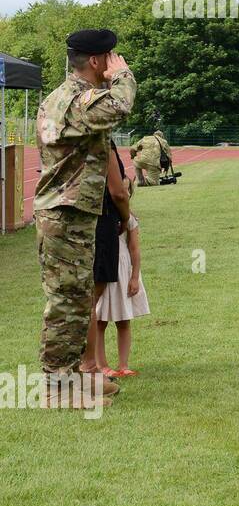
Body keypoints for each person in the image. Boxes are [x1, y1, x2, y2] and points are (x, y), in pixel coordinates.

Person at [34, 29, 137, 409]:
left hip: (69, 214)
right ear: (96, 61)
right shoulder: (78, 100)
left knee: (77, 299)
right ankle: (55, 389)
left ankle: (74, 377)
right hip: (65, 215)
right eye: (110, 56)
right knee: (66, 302)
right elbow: (121, 106)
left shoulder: (63, 98)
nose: (115, 62)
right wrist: (123, 75)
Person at [82, 140, 132, 378]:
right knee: (91, 300)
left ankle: (77, 364)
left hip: (69, 225)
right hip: (101, 222)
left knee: (74, 298)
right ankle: (90, 367)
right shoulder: (101, 140)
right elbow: (118, 192)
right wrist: (125, 218)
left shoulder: (66, 138)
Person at [96, 201, 150, 378]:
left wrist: (134, 277)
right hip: (103, 266)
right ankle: (101, 365)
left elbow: (134, 248)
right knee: (99, 320)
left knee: (124, 320)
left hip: (122, 269)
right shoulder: (100, 216)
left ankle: (123, 365)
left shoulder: (130, 219)